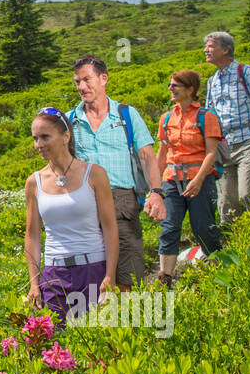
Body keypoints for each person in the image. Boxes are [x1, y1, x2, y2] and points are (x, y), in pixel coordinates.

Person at [67, 55, 164, 289]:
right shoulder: (70, 120)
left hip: (122, 200)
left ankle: (129, 321)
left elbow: (147, 156)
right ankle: (93, 320)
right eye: (77, 82)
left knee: (128, 272)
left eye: (87, 80)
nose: (81, 87)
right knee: (88, 272)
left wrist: (157, 193)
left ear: (103, 79)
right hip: (84, 203)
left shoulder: (127, 115)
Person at [26, 108, 120, 323]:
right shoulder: (34, 182)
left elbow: (109, 227)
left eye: (45, 137)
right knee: (57, 344)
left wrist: (110, 275)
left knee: (98, 342)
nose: (38, 145)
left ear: (66, 136)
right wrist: (34, 282)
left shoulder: (94, 174)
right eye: (35, 138)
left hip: (93, 270)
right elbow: (32, 236)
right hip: (53, 274)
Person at [202, 32, 250, 226]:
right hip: (224, 147)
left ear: (225, 49)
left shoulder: (246, 72)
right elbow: (210, 117)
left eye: (210, 46)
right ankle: (235, 246)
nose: (206, 51)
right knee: (227, 205)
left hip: (248, 141)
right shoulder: (212, 82)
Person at [155, 70, 223, 278]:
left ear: (191, 89)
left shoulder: (206, 117)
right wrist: (155, 188)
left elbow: (211, 152)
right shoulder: (166, 118)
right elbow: (163, 153)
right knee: (169, 227)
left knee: (204, 228)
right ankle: (165, 277)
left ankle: (217, 270)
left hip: (200, 180)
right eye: (170, 84)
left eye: (176, 85)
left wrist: (199, 179)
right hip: (172, 180)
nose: (170, 88)